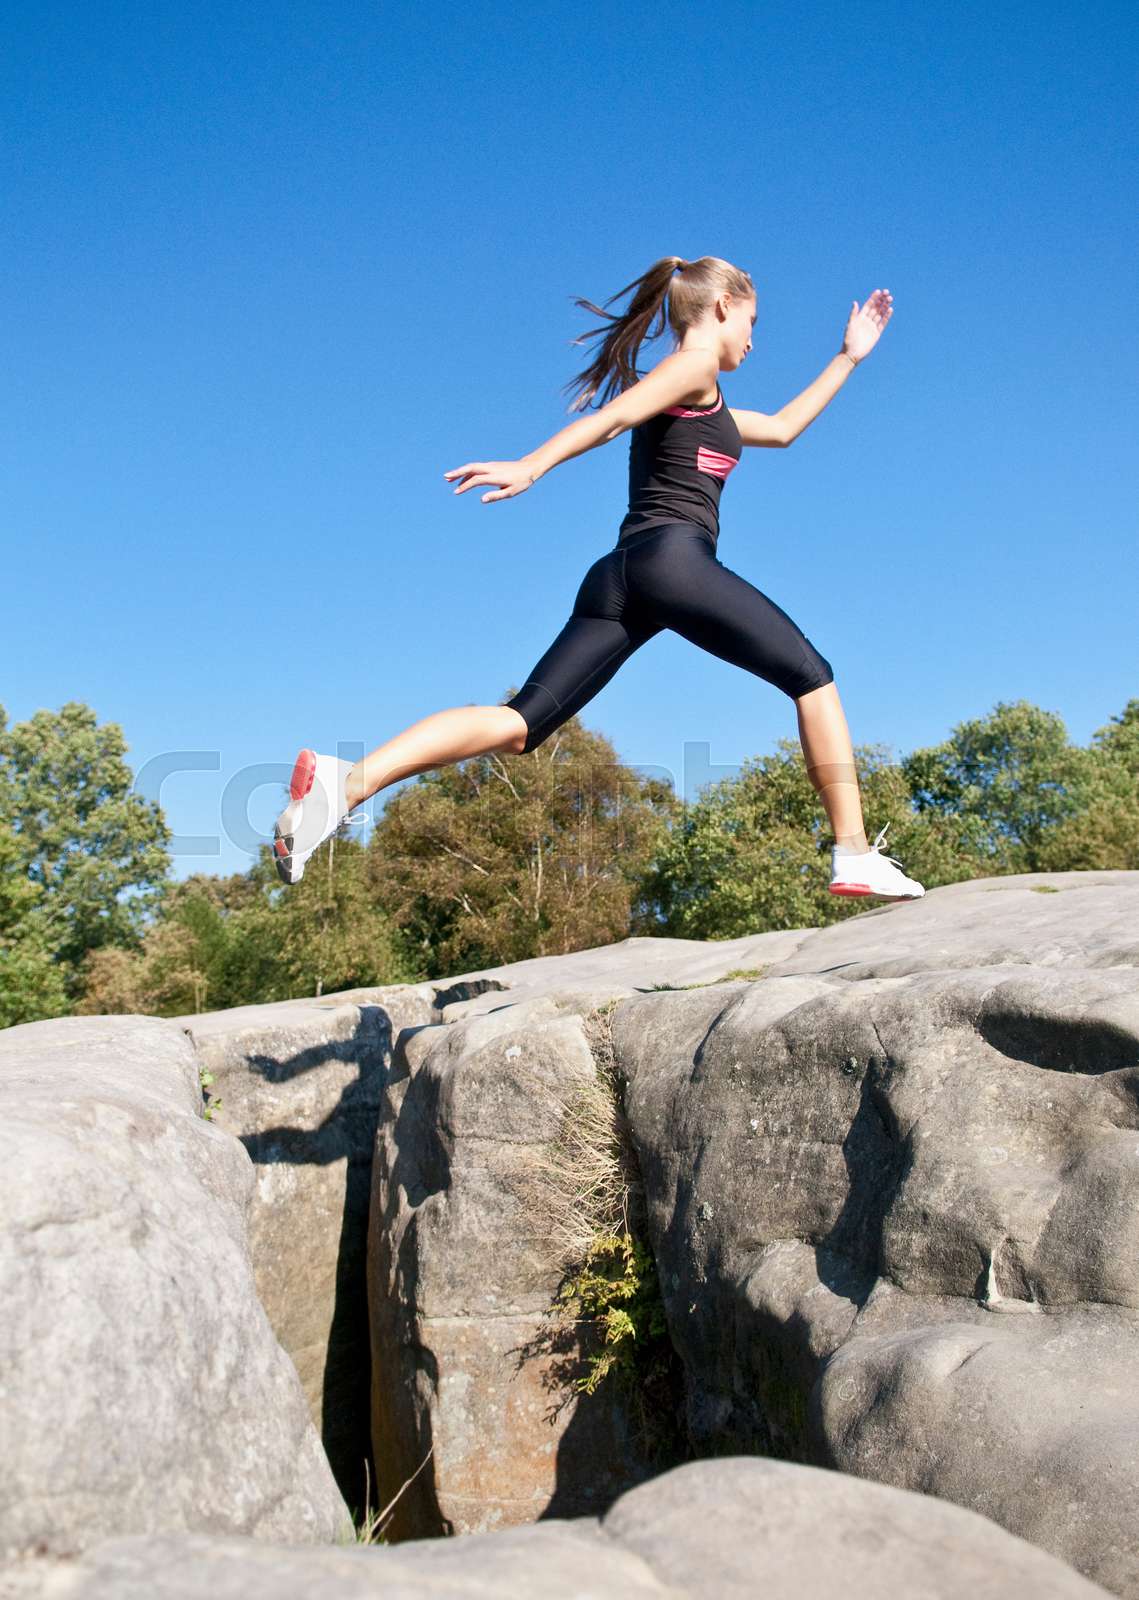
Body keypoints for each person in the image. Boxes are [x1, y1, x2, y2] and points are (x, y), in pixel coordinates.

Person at [272, 254, 923, 902]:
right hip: (672, 562)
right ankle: (853, 853)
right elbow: (612, 419)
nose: (754, 338)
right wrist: (532, 464)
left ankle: (347, 782)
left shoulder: (711, 402)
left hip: (619, 577)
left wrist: (847, 357)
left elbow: (780, 429)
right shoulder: (691, 366)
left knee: (520, 725)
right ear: (721, 307)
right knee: (813, 678)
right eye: (752, 320)